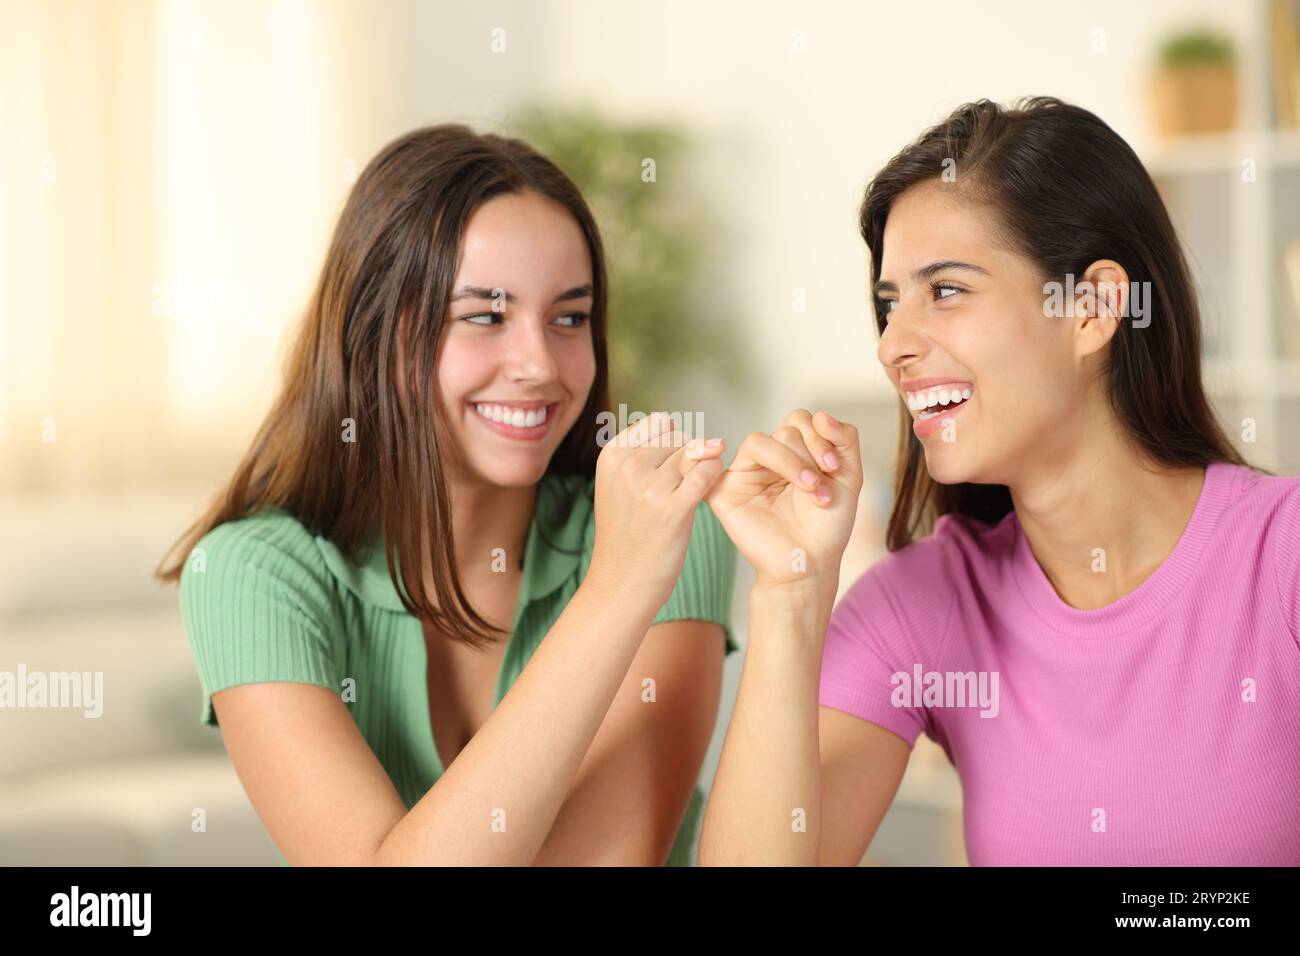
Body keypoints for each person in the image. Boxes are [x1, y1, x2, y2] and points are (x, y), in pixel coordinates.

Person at [699, 97, 1300, 866]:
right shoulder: (919, 607)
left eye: (945, 291)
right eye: (889, 306)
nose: (893, 346)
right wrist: (787, 594)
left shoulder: (1279, 560)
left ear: (1093, 307)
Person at [156, 124, 737, 866]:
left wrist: (629, 575)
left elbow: (605, 859)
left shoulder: (673, 532)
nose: (539, 364)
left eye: (570, 317)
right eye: (485, 316)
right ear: (377, 334)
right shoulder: (251, 574)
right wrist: (617, 589)